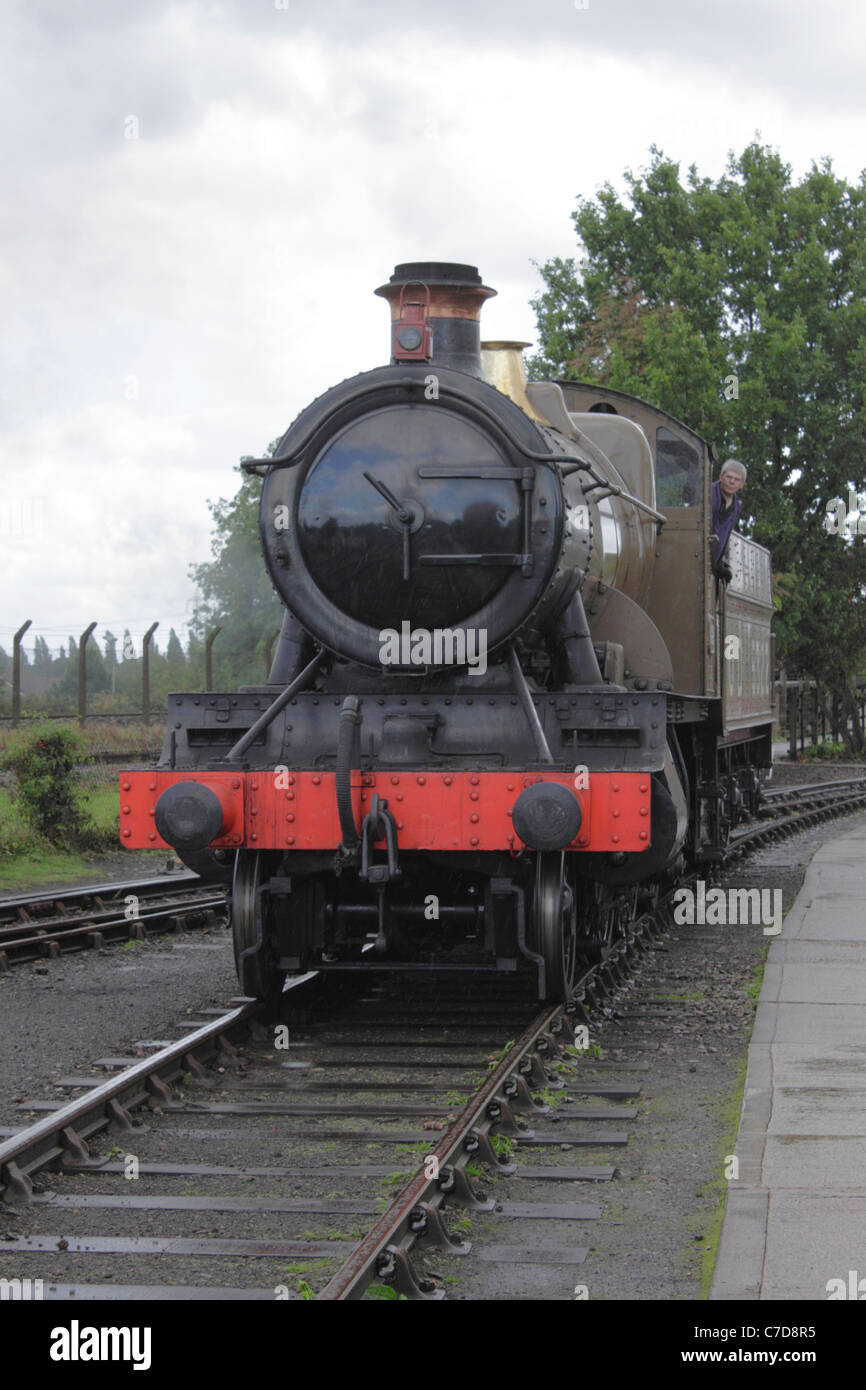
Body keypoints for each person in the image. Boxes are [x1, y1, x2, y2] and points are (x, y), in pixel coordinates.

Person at [711, 459, 746, 582]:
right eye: (729, 477)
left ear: (741, 484)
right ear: (721, 477)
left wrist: (719, 565)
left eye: (736, 479)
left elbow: (725, 536)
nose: (731, 482)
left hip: (714, 564)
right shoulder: (709, 494)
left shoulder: (736, 506)